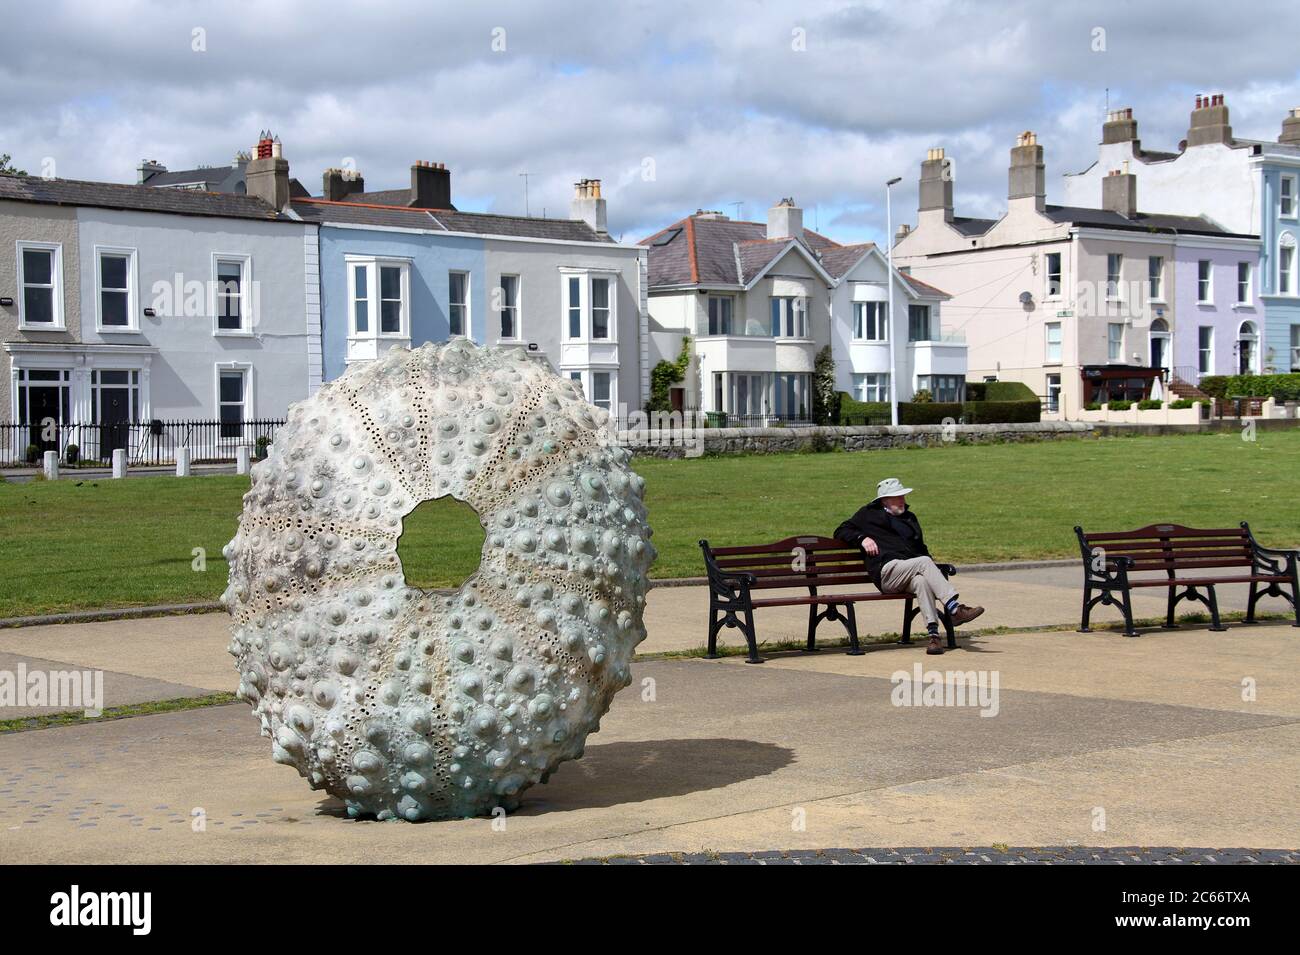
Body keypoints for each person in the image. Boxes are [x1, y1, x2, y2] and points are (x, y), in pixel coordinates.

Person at [834, 477, 984, 655]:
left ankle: (934, 637)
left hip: (909, 572)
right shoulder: (869, 514)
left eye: (903, 496)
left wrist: (932, 572)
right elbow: (841, 530)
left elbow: (921, 548)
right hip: (887, 572)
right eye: (897, 497)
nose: (902, 500)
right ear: (885, 500)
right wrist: (862, 539)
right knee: (923, 562)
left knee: (921, 581)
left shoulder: (909, 518)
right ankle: (954, 608)